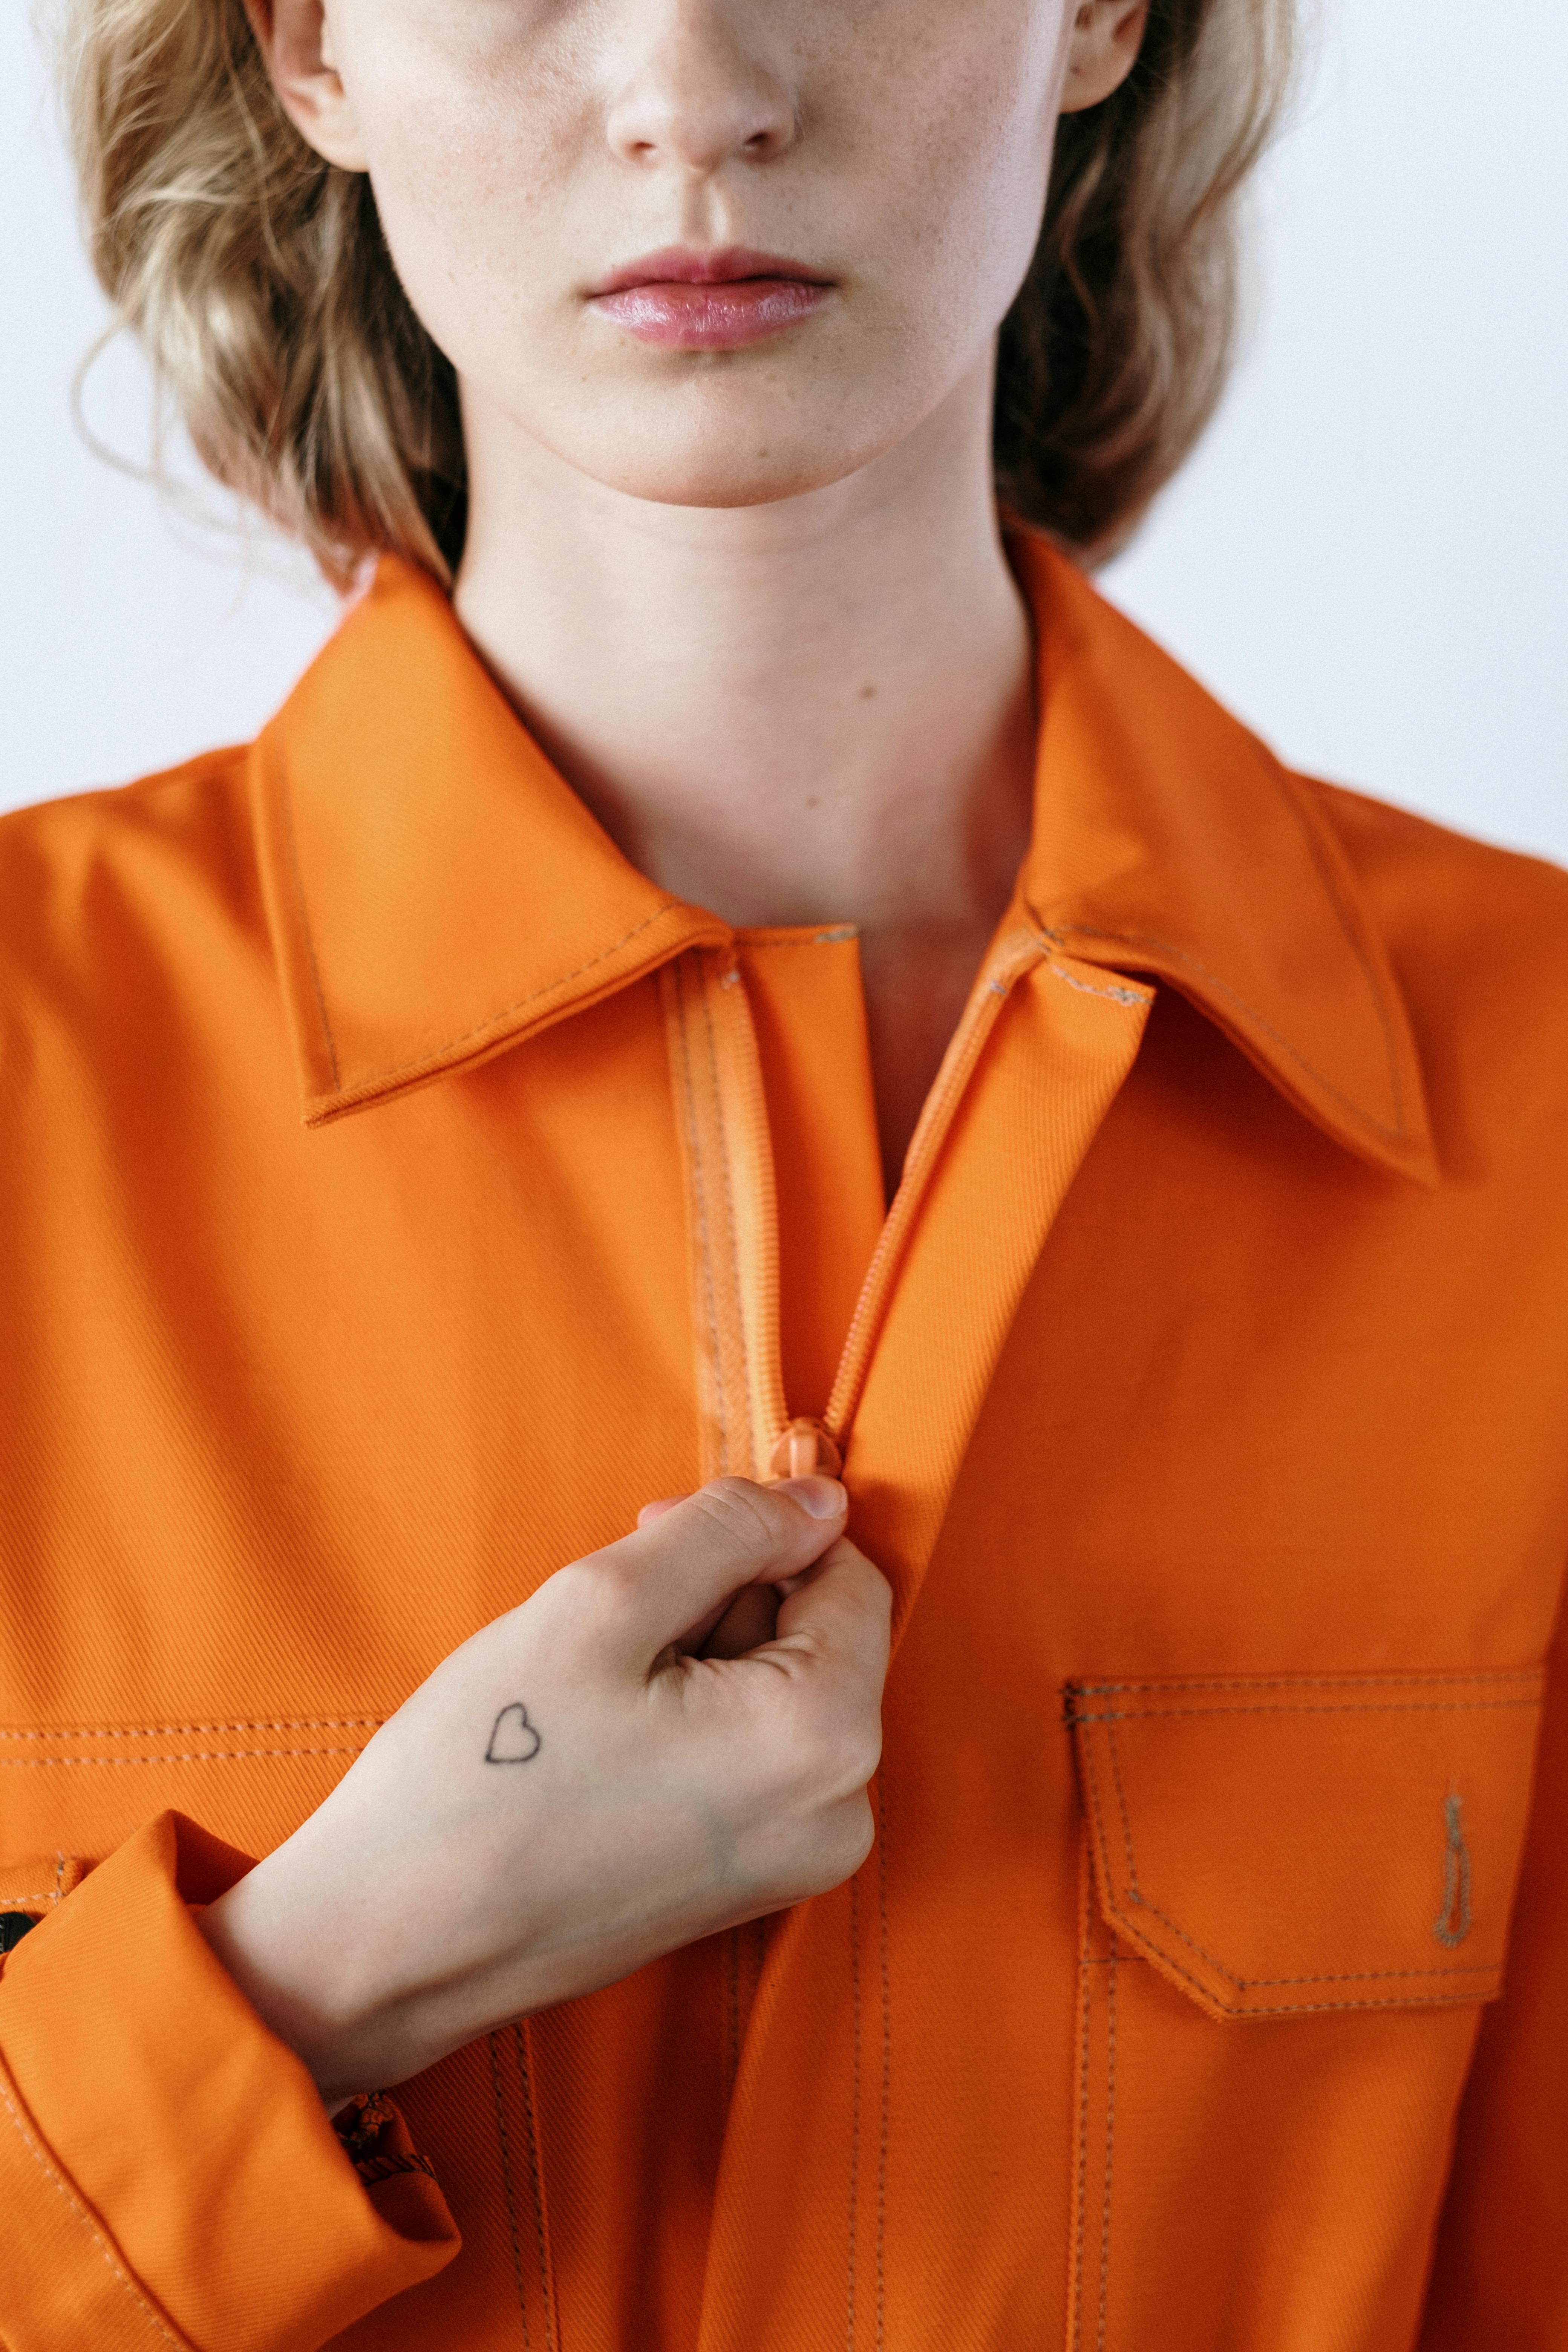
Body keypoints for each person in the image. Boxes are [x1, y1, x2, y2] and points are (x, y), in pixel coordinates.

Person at [0, 0, 1564, 2344]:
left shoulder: (1535, 1096)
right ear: (312, 46)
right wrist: (316, 1985)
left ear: (1098, 16)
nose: (693, 90)